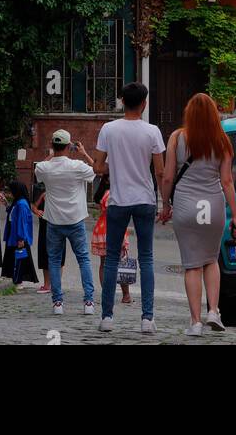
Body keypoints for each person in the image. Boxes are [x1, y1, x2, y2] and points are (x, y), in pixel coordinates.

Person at [160, 92, 236, 336]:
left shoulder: (177, 137)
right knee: (211, 260)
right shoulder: (222, 141)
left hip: (186, 206)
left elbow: (168, 176)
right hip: (213, 205)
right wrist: (235, 216)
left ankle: (195, 322)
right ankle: (213, 310)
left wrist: (165, 204)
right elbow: (227, 181)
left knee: (192, 265)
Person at [93, 81, 164, 332]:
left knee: (111, 258)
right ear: (143, 104)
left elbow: (98, 167)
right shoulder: (152, 131)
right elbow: (160, 171)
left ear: (122, 101)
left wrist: (115, 167)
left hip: (118, 200)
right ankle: (147, 318)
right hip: (144, 198)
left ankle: (107, 317)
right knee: (146, 258)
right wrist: (166, 203)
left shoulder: (108, 129)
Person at [32, 130, 96, 316]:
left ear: (52, 146)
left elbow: (39, 168)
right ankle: (89, 302)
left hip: (54, 220)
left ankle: (58, 303)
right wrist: (83, 153)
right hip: (75, 219)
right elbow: (97, 169)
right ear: (70, 146)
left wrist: (52, 155)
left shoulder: (45, 167)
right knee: (83, 259)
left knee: (53, 260)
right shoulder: (77, 166)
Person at [90, 177, 133, 305]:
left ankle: (107, 294)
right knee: (121, 261)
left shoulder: (104, 193)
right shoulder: (113, 193)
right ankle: (126, 295)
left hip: (102, 228)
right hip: (115, 228)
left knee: (104, 263)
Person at [2, 181, 39, 286]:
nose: (10, 193)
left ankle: (18, 281)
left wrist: (21, 238)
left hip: (18, 237)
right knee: (15, 258)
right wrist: (6, 203)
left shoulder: (22, 204)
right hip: (13, 236)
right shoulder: (18, 202)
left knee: (19, 259)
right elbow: (12, 213)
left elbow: (22, 222)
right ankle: (14, 279)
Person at [30, 180, 50, 291]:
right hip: (44, 226)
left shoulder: (60, 193)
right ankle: (47, 284)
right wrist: (37, 211)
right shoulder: (44, 194)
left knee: (58, 256)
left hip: (57, 226)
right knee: (44, 254)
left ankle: (56, 284)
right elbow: (33, 206)